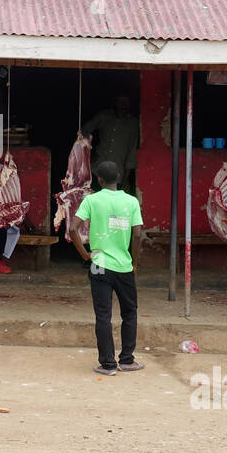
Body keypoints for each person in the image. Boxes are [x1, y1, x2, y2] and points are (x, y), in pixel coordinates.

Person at [71, 161, 144, 375]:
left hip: (98, 265)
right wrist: (134, 262)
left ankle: (108, 365)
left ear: (99, 179)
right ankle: (127, 360)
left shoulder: (91, 200)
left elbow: (72, 228)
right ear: (119, 176)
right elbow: (138, 234)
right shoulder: (131, 201)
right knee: (129, 312)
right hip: (124, 266)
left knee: (103, 314)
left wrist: (85, 255)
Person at [81, 95, 140, 193]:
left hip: (118, 174)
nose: (123, 105)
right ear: (115, 103)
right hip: (97, 170)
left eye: (126, 102)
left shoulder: (133, 124)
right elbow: (84, 132)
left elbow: (132, 151)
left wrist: (126, 178)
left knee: (112, 206)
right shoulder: (104, 116)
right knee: (95, 201)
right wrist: (89, 154)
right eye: (121, 102)